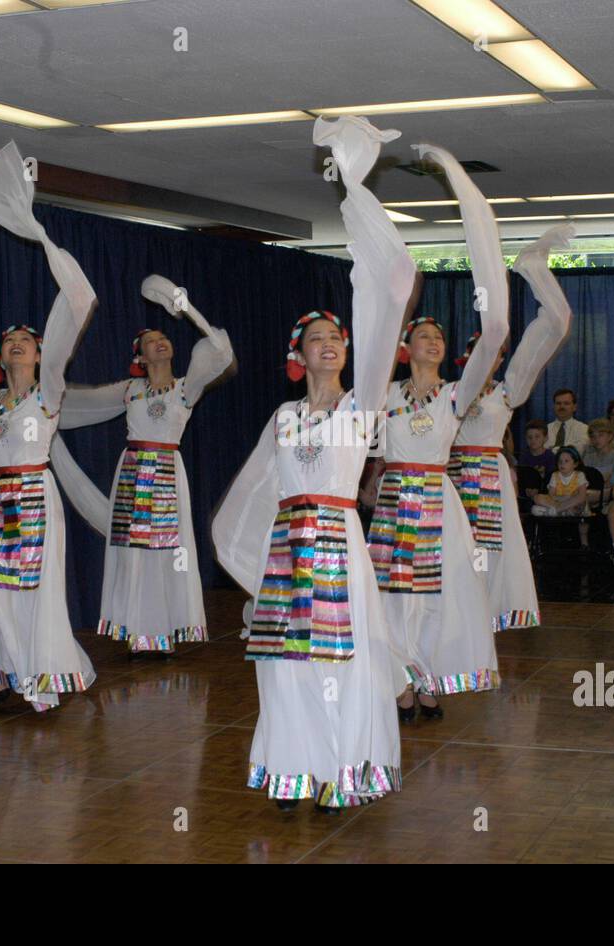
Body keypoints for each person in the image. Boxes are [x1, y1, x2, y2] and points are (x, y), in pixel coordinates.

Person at [212, 115, 409, 813]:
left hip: (338, 542)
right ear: (298, 354)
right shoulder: (284, 416)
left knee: (340, 657)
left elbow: (395, 287)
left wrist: (355, 186)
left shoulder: (363, 406)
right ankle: (293, 768)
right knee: (284, 659)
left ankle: (341, 769)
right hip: (288, 547)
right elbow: (252, 494)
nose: (331, 343)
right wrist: (247, 556)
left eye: (338, 337)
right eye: (317, 337)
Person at [0, 141, 97, 711]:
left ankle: (40, 677)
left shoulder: (48, 393)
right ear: (1, 355)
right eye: (9, 340)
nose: (17, 344)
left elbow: (79, 298)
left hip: (36, 497)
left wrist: (40, 236)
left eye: (27, 340)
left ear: (40, 354)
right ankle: (4, 668)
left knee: (35, 591)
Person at [367, 142, 506, 724]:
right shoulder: (385, 394)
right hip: (395, 497)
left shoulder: (456, 394)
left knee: (438, 592)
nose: (433, 341)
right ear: (405, 348)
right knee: (393, 592)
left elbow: (494, 334)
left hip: (437, 498)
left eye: (440, 338)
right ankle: (401, 680)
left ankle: (429, 677)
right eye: (423, 335)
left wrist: (457, 179)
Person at [54, 278, 234, 656]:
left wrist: (188, 310)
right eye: (152, 341)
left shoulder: (186, 387)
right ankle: (137, 630)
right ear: (140, 356)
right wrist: (44, 403)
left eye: (164, 337)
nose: (161, 342)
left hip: (167, 471)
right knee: (133, 550)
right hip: (133, 472)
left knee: (168, 550)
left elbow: (220, 352)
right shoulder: (130, 391)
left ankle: (166, 630)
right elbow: (82, 403)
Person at [447, 224, 573, 631]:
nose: (492, 361)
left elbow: (550, 334)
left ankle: (532, 267)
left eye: (497, 356)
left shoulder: (506, 392)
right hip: (453, 474)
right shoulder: (452, 393)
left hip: (489, 473)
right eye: (483, 355)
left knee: (488, 544)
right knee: (459, 544)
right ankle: (459, 609)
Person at [532, 447, 588, 516]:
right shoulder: (555, 475)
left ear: (575, 464)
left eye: (566, 461)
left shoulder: (580, 475)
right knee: (537, 497)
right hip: (559, 502)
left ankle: (555, 511)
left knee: (580, 501)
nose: (562, 464)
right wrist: (565, 498)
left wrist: (570, 499)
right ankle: (562, 511)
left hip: (573, 503)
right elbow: (551, 495)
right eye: (560, 461)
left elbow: (582, 496)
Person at [582, 417, 614, 504]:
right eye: (593, 436)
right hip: (591, 492)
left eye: (600, 435)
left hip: (609, 495)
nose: (596, 439)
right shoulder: (588, 457)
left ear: (610, 436)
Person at [544, 389, 588, 455]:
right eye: (558, 403)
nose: (562, 407)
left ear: (574, 407)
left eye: (566, 403)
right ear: (554, 406)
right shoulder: (545, 429)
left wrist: (552, 449)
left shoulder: (584, 429)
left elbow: (576, 452)